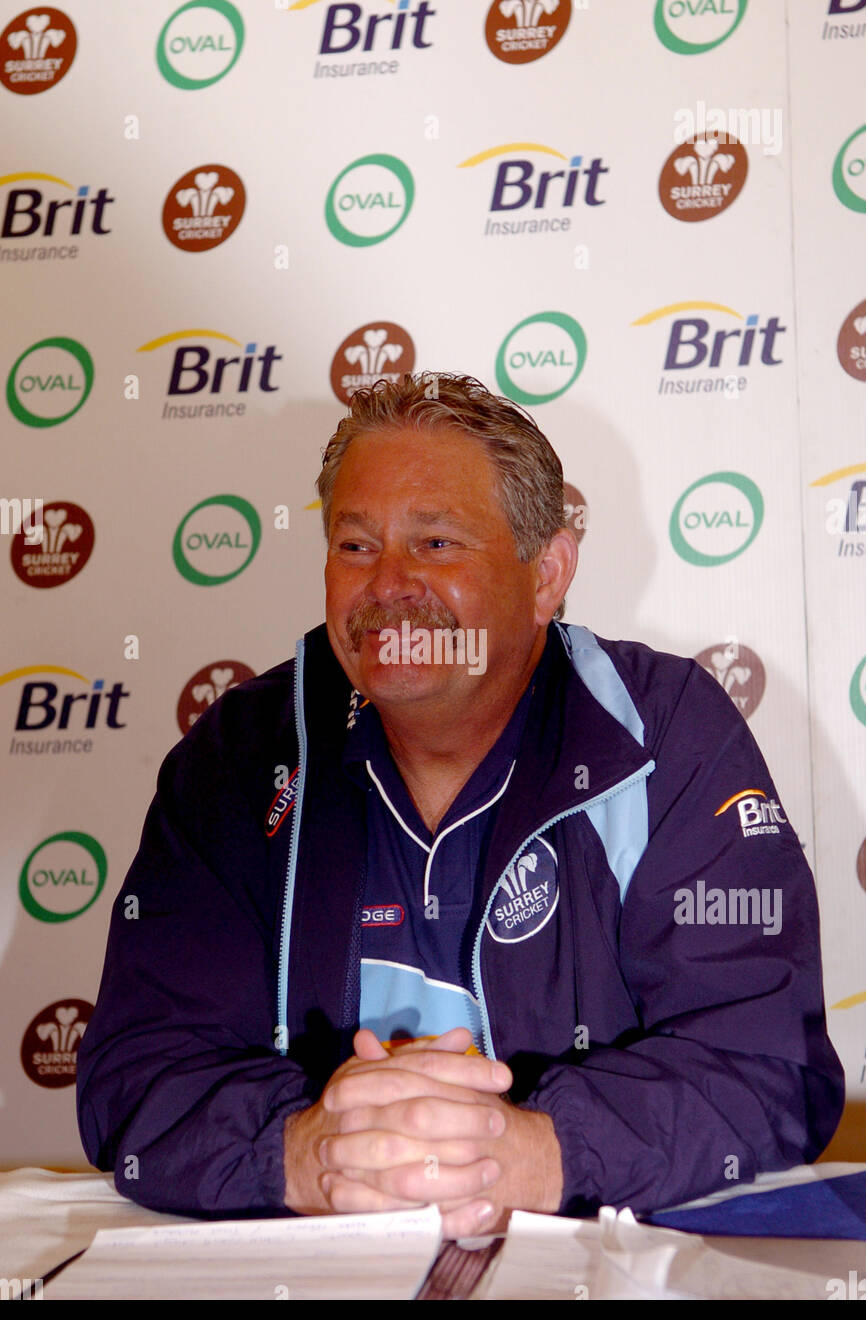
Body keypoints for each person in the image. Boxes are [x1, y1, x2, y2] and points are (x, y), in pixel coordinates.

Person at [77, 373, 844, 1237]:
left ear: (547, 571)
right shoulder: (244, 756)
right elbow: (134, 1077)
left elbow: (769, 1068)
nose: (390, 585)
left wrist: (531, 1151)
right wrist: (303, 1151)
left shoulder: (665, 733)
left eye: (437, 543)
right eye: (356, 547)